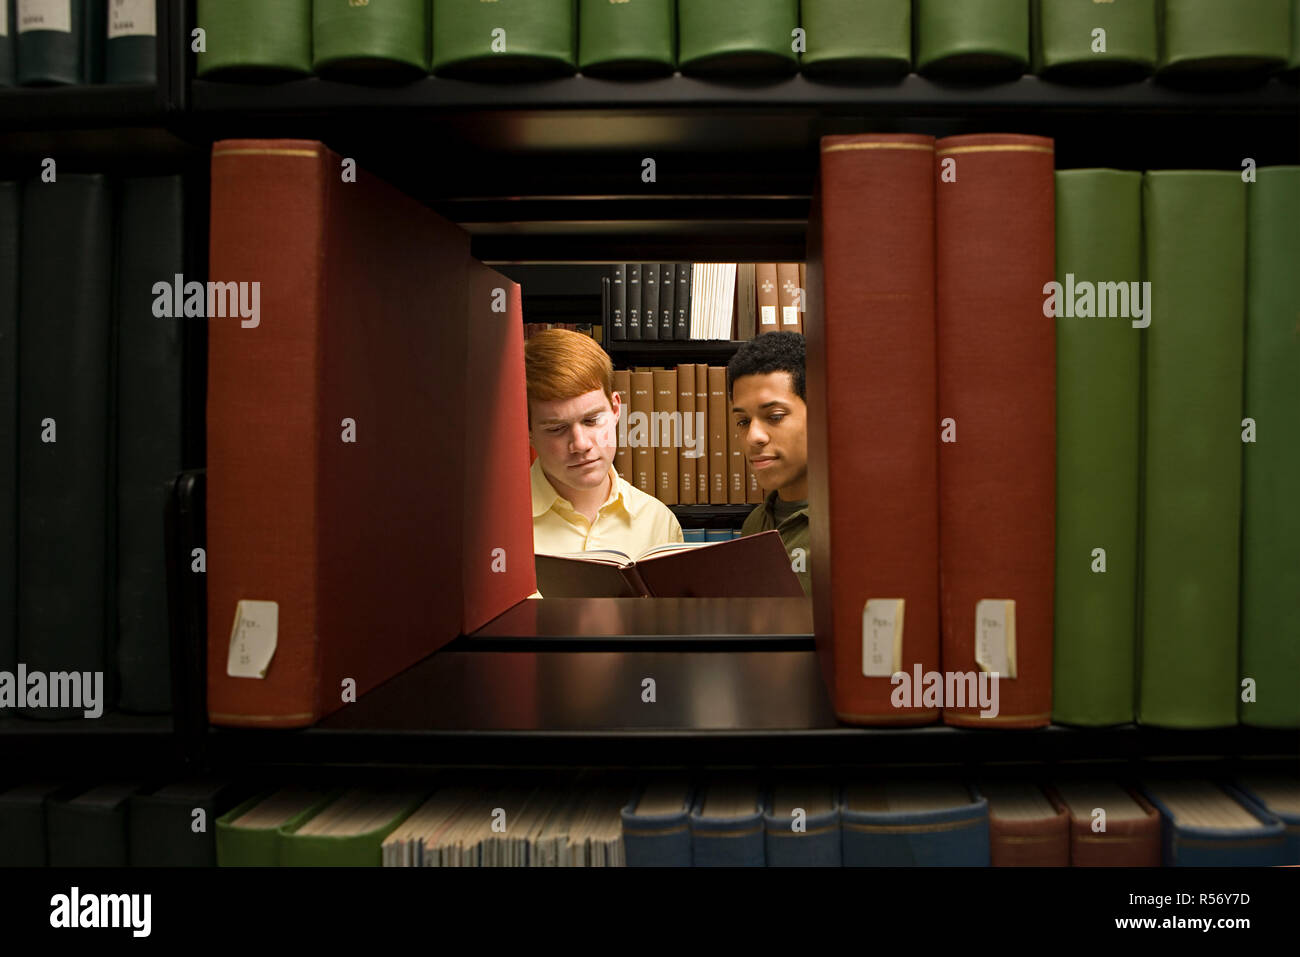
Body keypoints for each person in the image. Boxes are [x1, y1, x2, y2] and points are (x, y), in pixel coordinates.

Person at [525, 328, 683, 558]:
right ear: (527, 430)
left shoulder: (658, 523)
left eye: (592, 420)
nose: (580, 444)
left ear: (616, 408)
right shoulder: (498, 525)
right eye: (556, 429)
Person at [728, 332, 810, 596]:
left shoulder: (861, 525)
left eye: (774, 417)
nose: (754, 437)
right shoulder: (755, 526)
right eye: (743, 421)